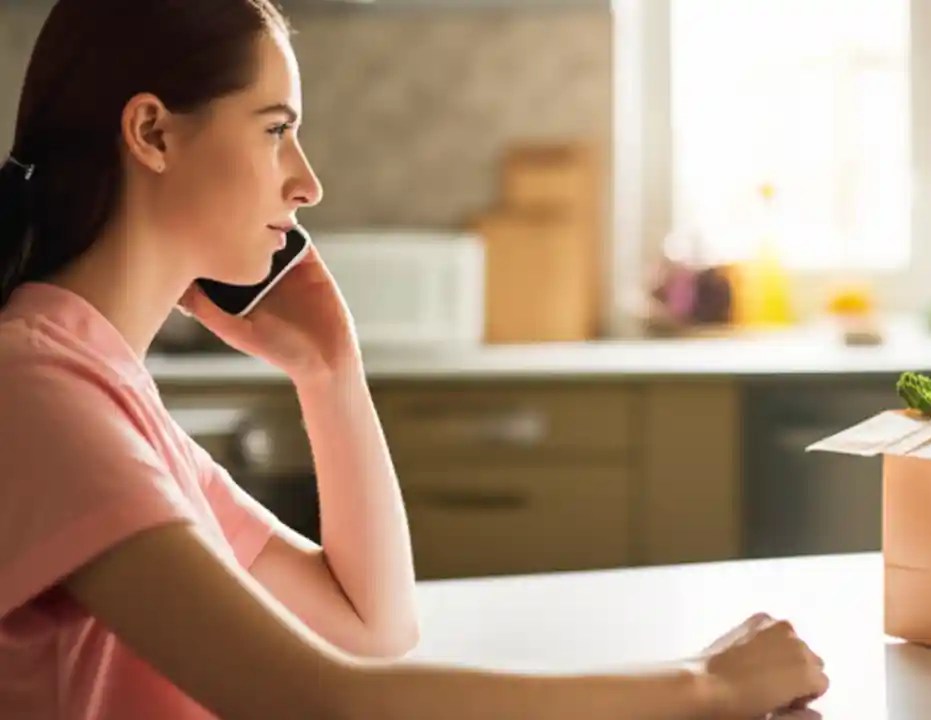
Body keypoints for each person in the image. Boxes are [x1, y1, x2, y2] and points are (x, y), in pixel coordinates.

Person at [0, 1, 829, 718]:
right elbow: (323, 702)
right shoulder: (38, 390)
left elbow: (373, 631)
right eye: (277, 130)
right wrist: (702, 687)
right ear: (151, 132)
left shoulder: (104, 390)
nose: (307, 183)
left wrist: (330, 373)